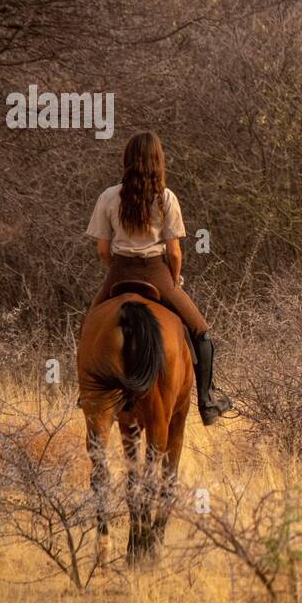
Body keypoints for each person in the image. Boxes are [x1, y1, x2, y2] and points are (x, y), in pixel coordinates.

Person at [86, 131, 232, 424]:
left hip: (118, 273)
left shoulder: (108, 196)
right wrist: (173, 280)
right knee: (201, 332)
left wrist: (115, 270)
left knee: (88, 327)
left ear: (127, 160)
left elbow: (103, 249)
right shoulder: (166, 198)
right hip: (157, 273)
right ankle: (206, 401)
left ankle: (89, 394)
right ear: (158, 161)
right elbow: (175, 252)